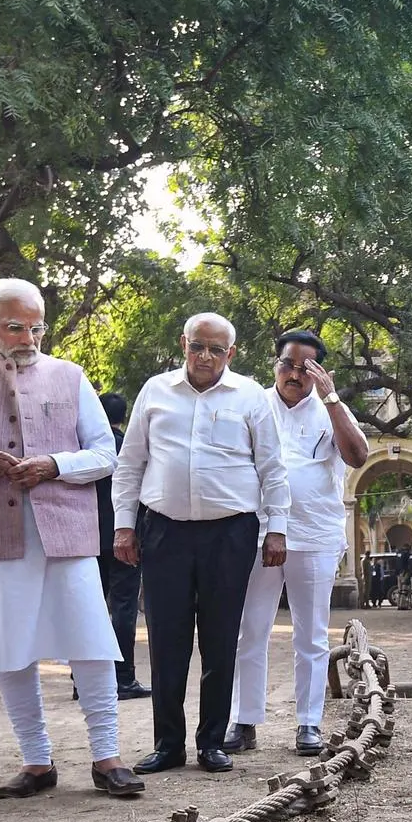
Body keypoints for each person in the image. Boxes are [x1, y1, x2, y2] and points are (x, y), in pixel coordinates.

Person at [0, 278, 143, 801]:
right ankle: (36, 761)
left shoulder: (70, 375)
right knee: (10, 646)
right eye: (16, 326)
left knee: (89, 640)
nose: (28, 338)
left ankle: (107, 757)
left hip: (64, 529)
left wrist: (54, 465)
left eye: (36, 327)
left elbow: (106, 453)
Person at [110, 311, 290, 774]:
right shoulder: (156, 390)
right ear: (183, 344)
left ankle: (212, 741)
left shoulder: (250, 395)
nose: (205, 356)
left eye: (215, 349)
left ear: (230, 353)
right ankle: (168, 745)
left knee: (220, 638)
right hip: (164, 530)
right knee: (167, 640)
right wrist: (124, 525)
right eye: (197, 346)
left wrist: (276, 528)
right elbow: (130, 462)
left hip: (230, 532)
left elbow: (272, 466)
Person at [225, 329, 369, 757]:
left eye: (305, 367)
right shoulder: (253, 405)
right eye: (287, 364)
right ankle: (244, 720)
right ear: (274, 366)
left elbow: (358, 455)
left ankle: (309, 723)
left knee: (311, 636)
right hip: (260, 535)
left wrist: (332, 399)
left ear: (319, 373)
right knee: (250, 630)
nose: (294, 373)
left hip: (315, 537)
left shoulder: (329, 410)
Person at [96, 393, 150, 701]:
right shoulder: (127, 448)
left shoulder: (85, 449)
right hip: (124, 537)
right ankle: (123, 677)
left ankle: (84, 679)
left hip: (90, 538)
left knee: (92, 608)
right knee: (124, 607)